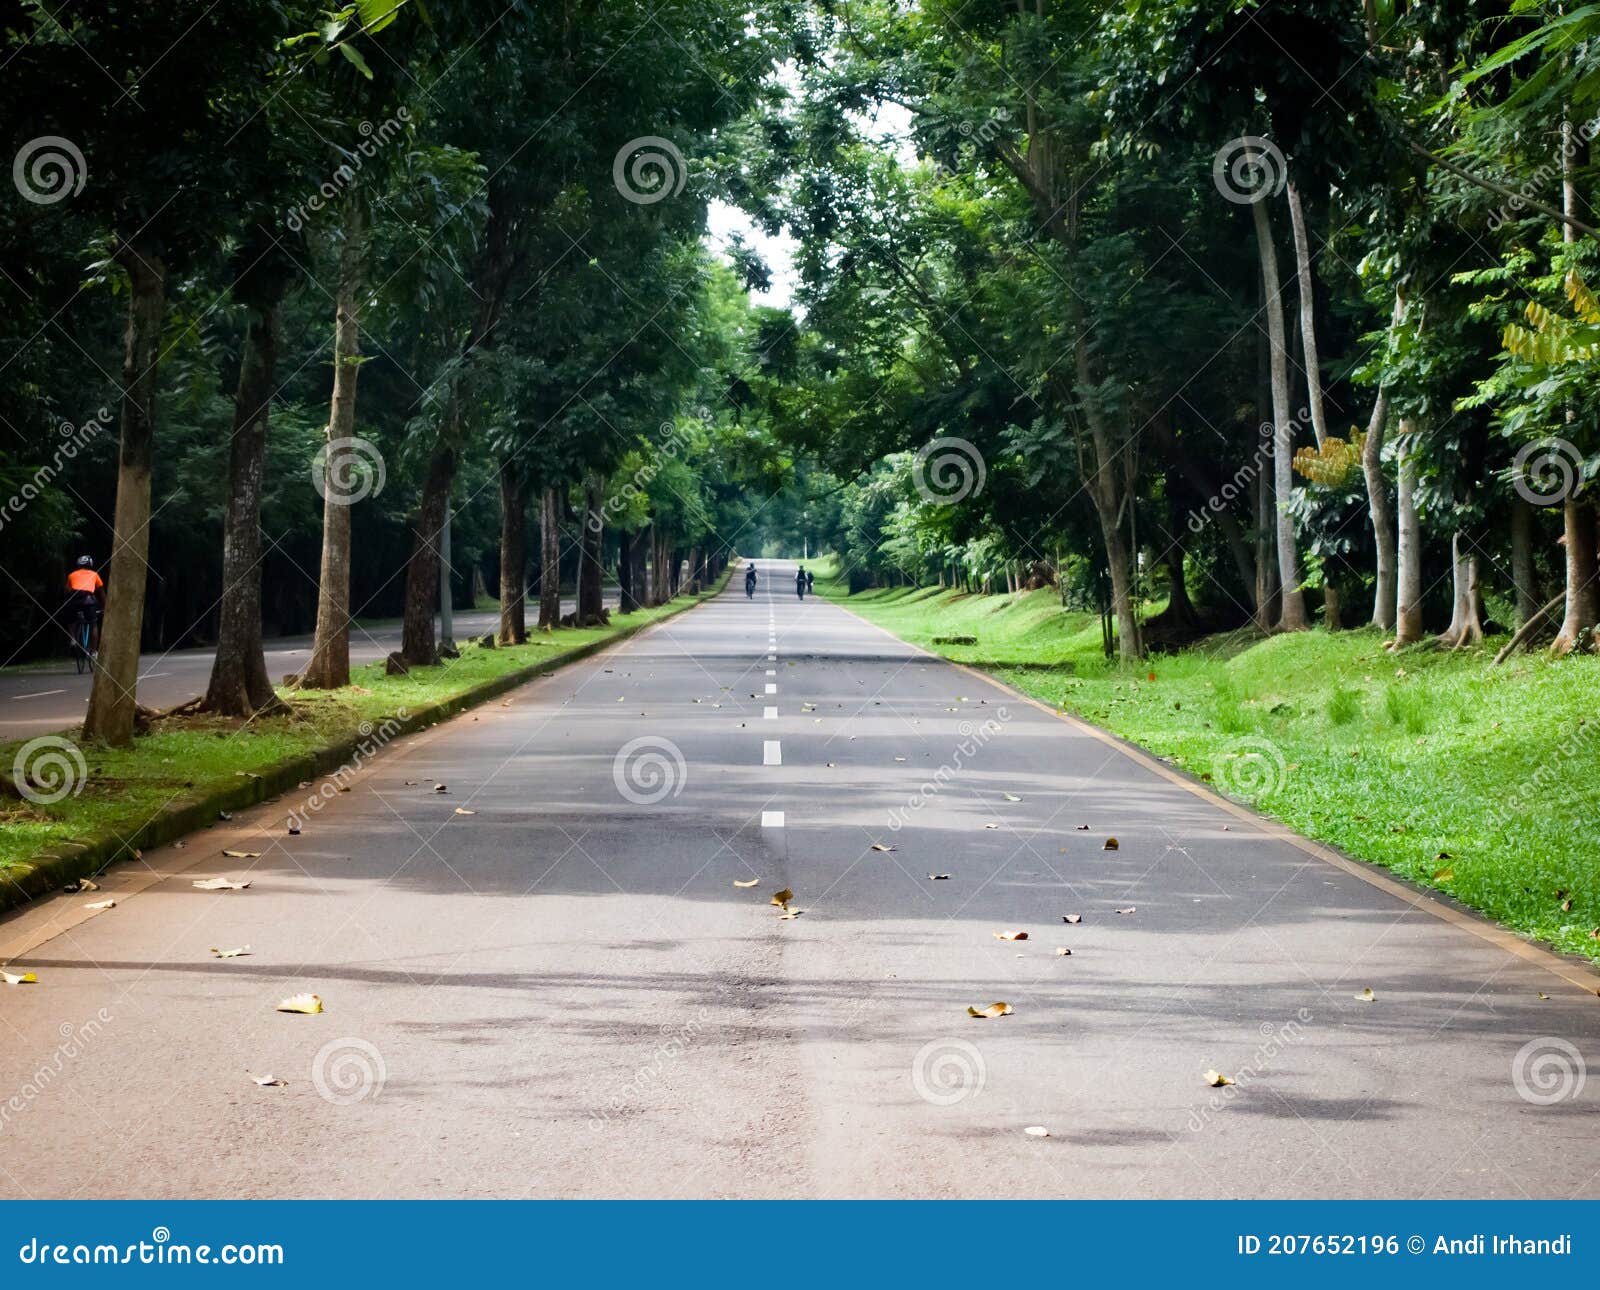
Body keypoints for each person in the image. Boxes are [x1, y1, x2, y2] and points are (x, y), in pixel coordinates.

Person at [65, 556, 104, 654]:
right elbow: (101, 593)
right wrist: (105, 607)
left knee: (70, 621)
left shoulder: (71, 575)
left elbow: (67, 591)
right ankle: (94, 652)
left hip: (73, 598)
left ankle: (73, 639)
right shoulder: (95, 574)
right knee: (94, 624)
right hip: (88, 600)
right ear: (90, 564)